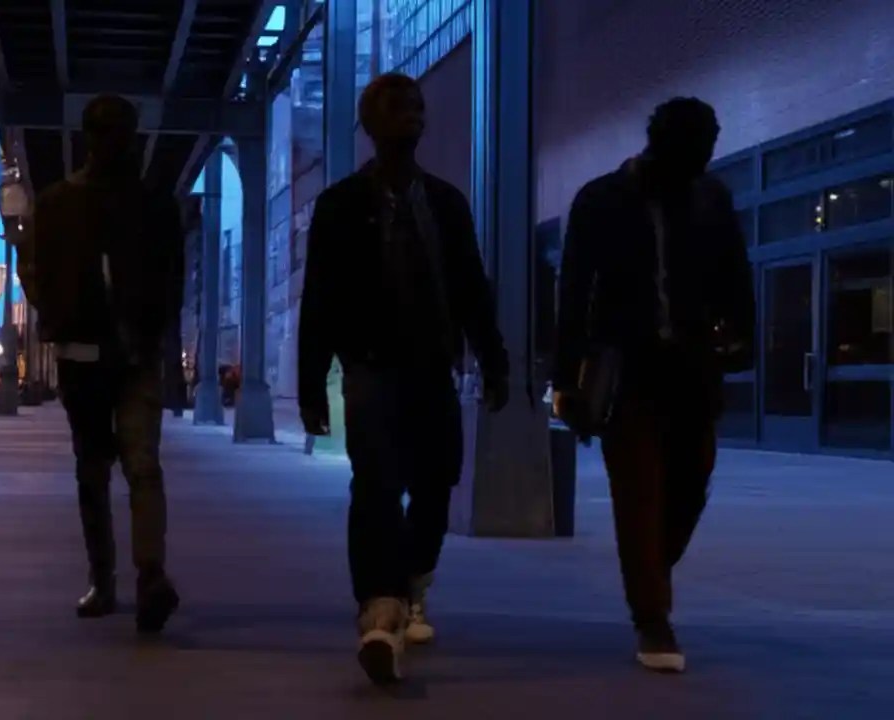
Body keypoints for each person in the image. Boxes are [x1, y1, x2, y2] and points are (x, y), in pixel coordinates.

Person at [298, 73, 509, 685]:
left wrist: (492, 359)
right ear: (371, 123)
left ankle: (414, 579)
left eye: (417, 106)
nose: (411, 115)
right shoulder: (340, 205)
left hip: (431, 365)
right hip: (370, 366)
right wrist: (313, 382)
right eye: (397, 108)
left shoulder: (445, 203)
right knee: (376, 486)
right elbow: (319, 299)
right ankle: (379, 608)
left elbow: (472, 287)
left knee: (438, 482)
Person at [552, 97, 754, 674]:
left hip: (692, 367)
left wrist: (742, 339)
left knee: (691, 483)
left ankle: (650, 570)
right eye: (695, 151)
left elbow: (735, 274)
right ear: (660, 145)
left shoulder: (711, 197)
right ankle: (652, 618)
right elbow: (574, 291)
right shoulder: (601, 199)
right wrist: (566, 379)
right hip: (629, 369)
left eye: (709, 151)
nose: (703, 162)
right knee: (638, 490)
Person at [17, 94, 184, 634]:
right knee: (98, 469)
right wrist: (60, 317)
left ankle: (146, 576)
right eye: (108, 133)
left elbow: (171, 278)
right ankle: (109, 579)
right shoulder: (60, 203)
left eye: (122, 133)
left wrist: (150, 327)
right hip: (86, 354)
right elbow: (34, 268)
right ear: (92, 137)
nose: (116, 143)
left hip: (132, 354)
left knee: (136, 464)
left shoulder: (152, 205)